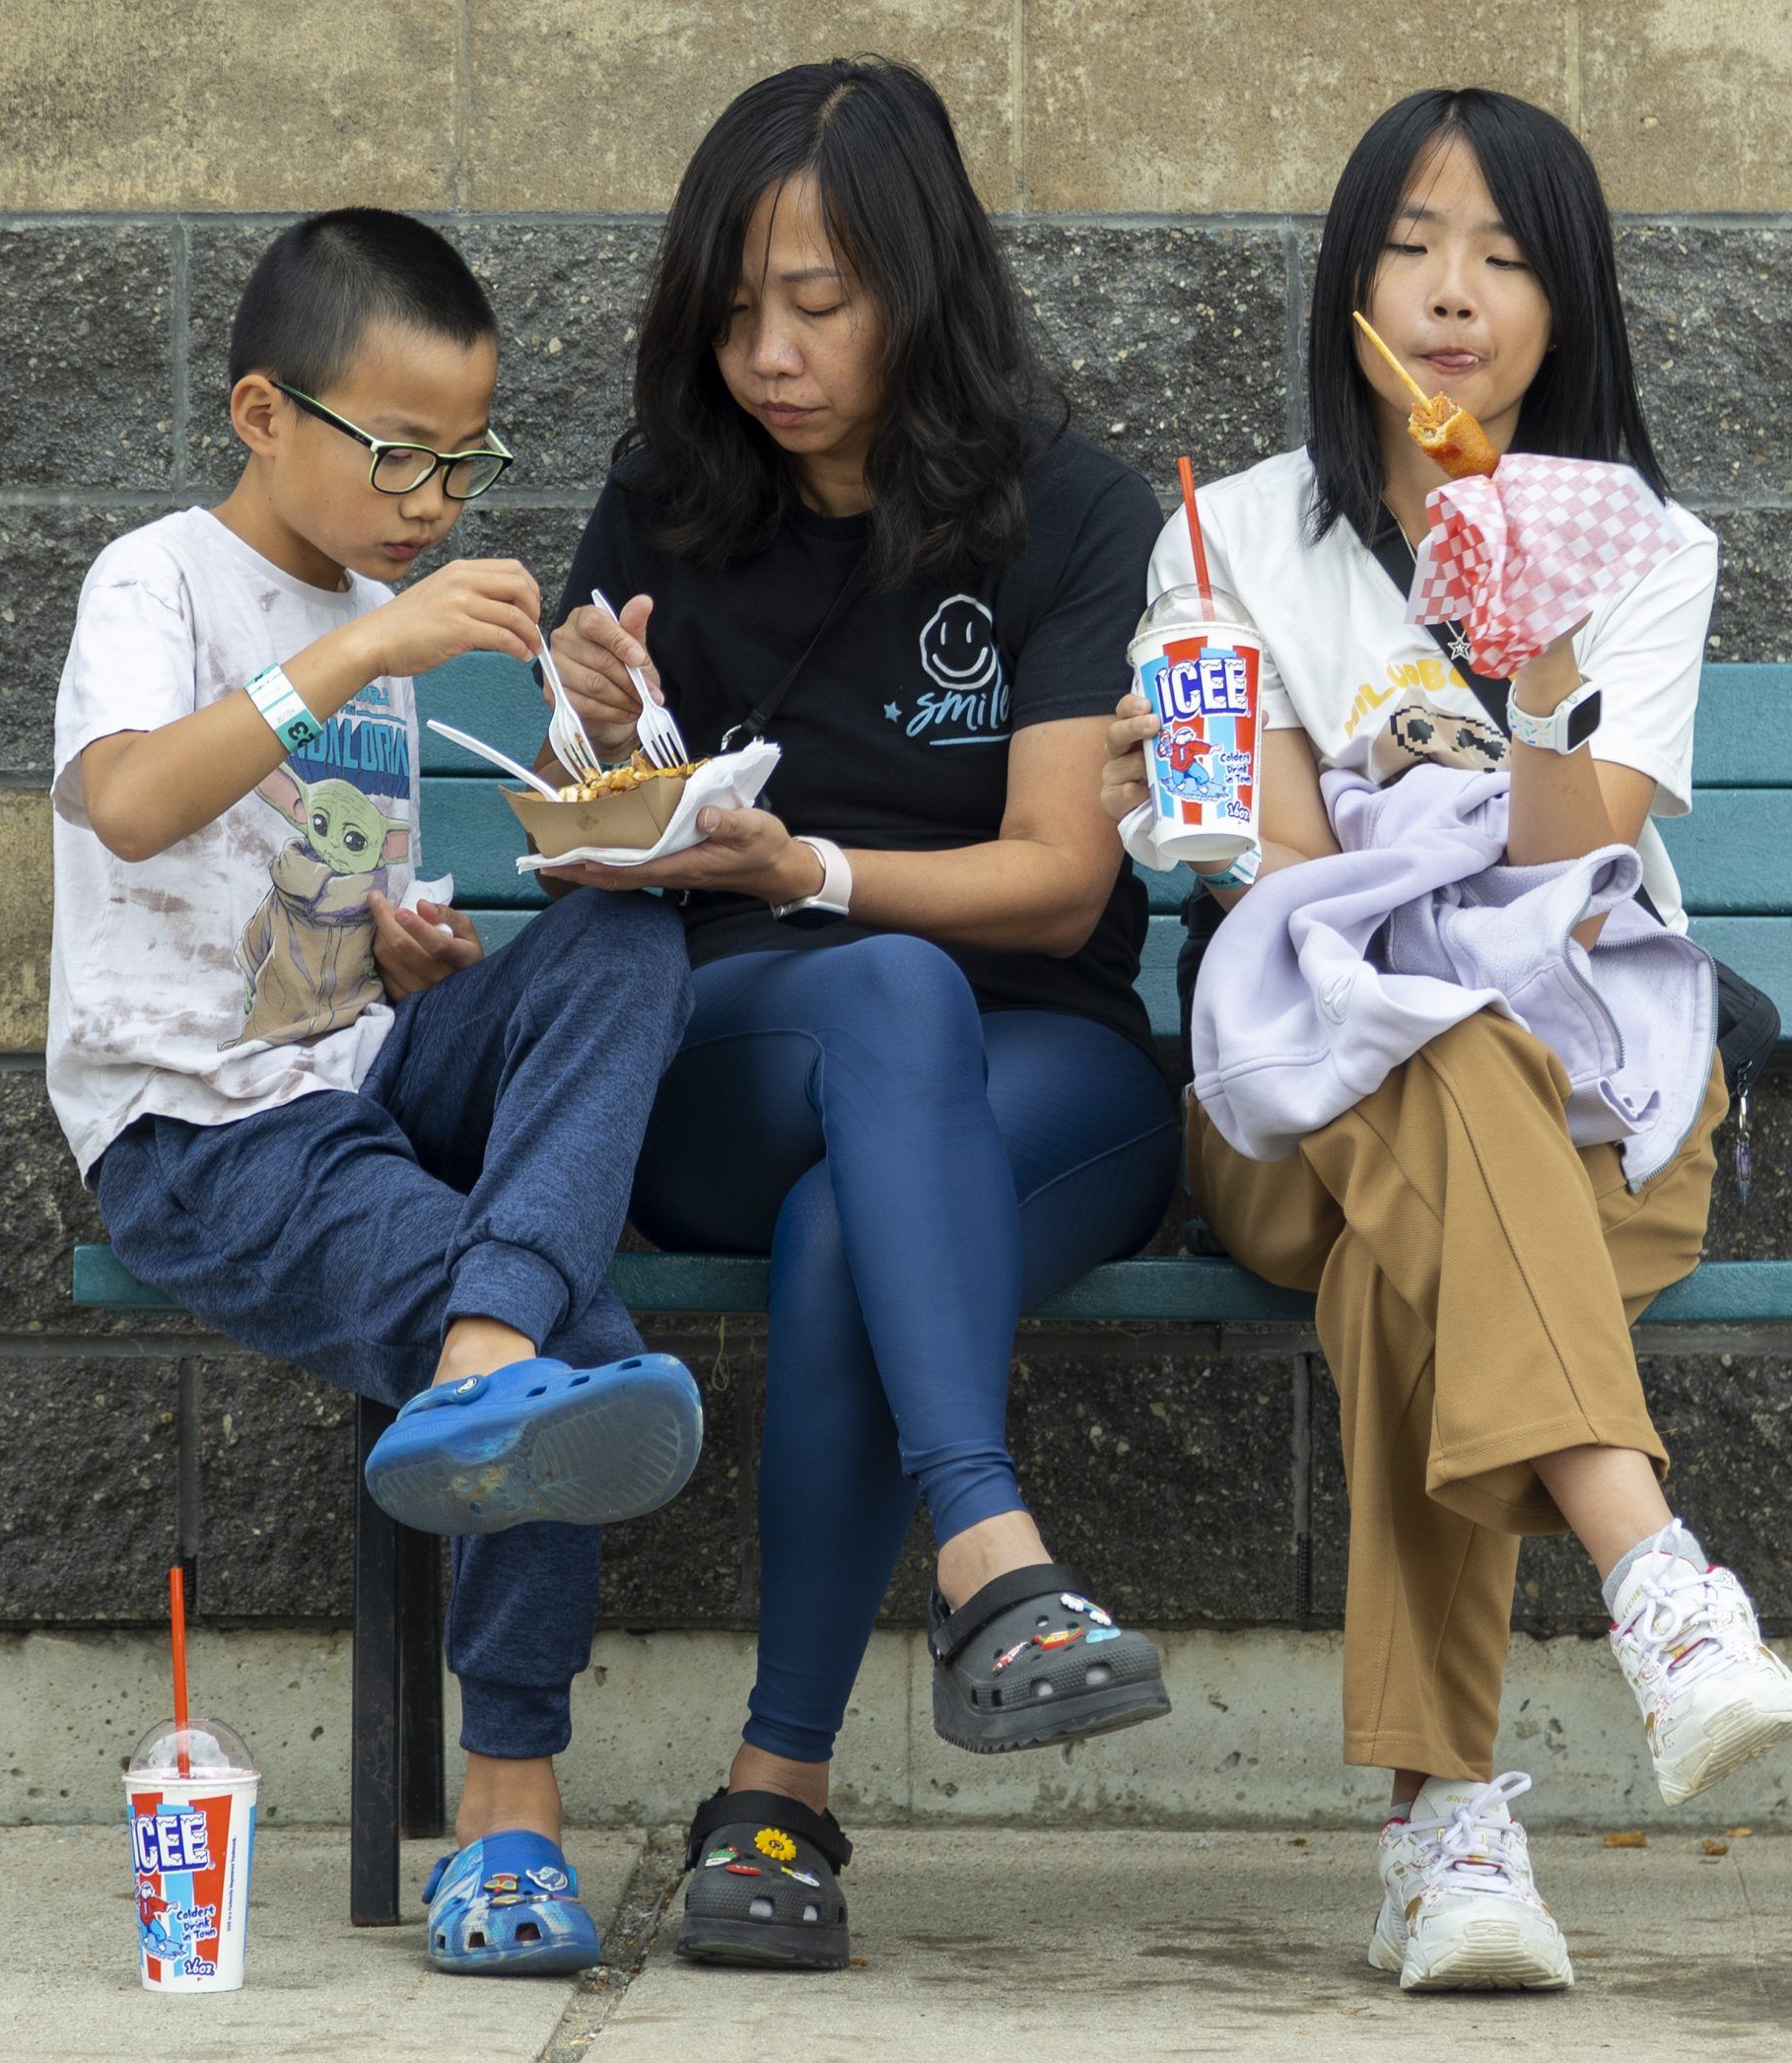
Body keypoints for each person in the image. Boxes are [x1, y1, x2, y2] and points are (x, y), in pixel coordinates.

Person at [1100, 89, 1792, 1994]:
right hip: (1298, 1095)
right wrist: (1353, 791)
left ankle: (1449, 1834)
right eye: (1413, 245)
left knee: (1405, 1270)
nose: (1453, 294)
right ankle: (1658, 1580)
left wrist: (1522, 646)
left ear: (1564, 307)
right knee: (1426, 1036)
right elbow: (1270, 861)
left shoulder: (1644, 544)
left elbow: (1598, 825)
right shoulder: (1233, 536)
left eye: (1505, 257)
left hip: (1606, 1102)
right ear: (1349, 280)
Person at [538, 59, 1181, 1972]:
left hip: (1041, 1062)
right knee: (877, 1004)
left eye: (814, 301)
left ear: (918, 281)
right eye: (734, 308)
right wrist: (598, 740)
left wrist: (806, 867)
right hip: (733, 1056)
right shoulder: (664, 506)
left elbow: (1064, 875)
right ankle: (993, 1555)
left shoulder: (1061, 511)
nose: (768, 350)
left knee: (862, 1188)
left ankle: (774, 1801)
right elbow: (578, 867)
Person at [51, 208, 706, 1978]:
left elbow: (313, 927)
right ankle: (514, 1810)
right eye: (396, 450)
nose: (432, 495)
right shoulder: (161, 582)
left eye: (463, 457)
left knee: (627, 948)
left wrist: (404, 946)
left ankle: (486, 1338)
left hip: (350, 1065)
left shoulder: (374, 624)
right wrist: (364, 651)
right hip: (204, 1131)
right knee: (563, 1319)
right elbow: (125, 803)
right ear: (263, 412)